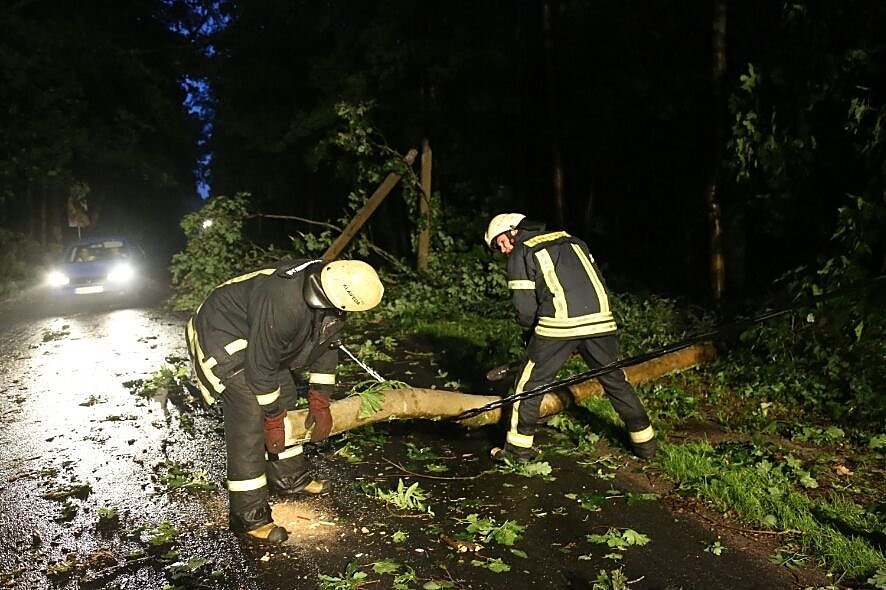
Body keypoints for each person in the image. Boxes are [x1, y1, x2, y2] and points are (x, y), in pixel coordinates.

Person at [185, 258, 384, 543]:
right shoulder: (284, 301)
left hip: (259, 333)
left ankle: (289, 478)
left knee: (287, 395)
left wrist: (320, 398)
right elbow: (261, 366)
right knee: (250, 410)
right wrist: (272, 416)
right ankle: (248, 516)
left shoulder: (335, 289)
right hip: (221, 329)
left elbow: (326, 344)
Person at [483, 213, 657, 463]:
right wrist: (580, 338)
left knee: (529, 386)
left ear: (513, 230)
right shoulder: (572, 240)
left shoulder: (522, 250)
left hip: (559, 324)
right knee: (615, 380)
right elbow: (598, 280)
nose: (503, 250)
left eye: (501, 242)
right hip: (602, 320)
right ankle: (646, 445)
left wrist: (532, 338)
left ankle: (518, 451)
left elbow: (525, 310)